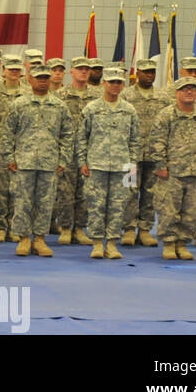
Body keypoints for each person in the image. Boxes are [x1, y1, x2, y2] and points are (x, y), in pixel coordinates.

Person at [3, 66, 74, 257]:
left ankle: (40, 239)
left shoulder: (59, 106)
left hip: (49, 162)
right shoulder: (19, 104)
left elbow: (68, 134)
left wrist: (63, 160)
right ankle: (24, 239)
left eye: (45, 77)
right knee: (22, 202)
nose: (42, 81)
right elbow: (8, 132)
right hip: (24, 162)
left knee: (46, 203)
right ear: (30, 79)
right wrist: (9, 157)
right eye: (38, 77)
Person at [148, 77, 196, 260]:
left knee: (192, 211)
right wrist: (161, 166)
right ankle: (169, 243)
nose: (189, 92)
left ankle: (182, 243)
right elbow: (157, 142)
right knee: (168, 210)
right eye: (185, 89)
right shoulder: (166, 115)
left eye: (192, 89)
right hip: (171, 173)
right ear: (177, 93)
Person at [76, 68, 139, 259]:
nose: (115, 86)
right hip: (96, 166)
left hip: (123, 168)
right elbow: (81, 138)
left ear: (123, 85)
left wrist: (132, 168)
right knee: (95, 205)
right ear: (104, 83)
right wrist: (82, 162)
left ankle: (112, 243)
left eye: (118, 82)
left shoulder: (129, 110)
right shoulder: (92, 109)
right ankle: (96, 243)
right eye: (111, 82)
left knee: (119, 206)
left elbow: (135, 141)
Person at [119, 58, 171, 246]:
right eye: (145, 71)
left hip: (154, 155)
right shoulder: (125, 96)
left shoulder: (163, 97)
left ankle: (145, 229)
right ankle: (129, 228)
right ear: (137, 73)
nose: (149, 75)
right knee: (128, 190)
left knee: (151, 192)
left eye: (152, 72)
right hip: (130, 156)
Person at [55, 56, 98, 245]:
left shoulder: (97, 96)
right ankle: (65, 228)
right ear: (71, 71)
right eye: (80, 68)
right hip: (67, 150)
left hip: (90, 151)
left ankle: (80, 228)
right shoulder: (60, 96)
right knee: (65, 191)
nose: (83, 72)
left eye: (87, 69)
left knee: (85, 192)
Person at [0, 55, 26, 241]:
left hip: (21, 147)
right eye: (11, 69)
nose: (14, 73)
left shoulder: (27, 93)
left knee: (18, 189)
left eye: (17, 70)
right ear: (4, 71)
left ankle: (14, 227)